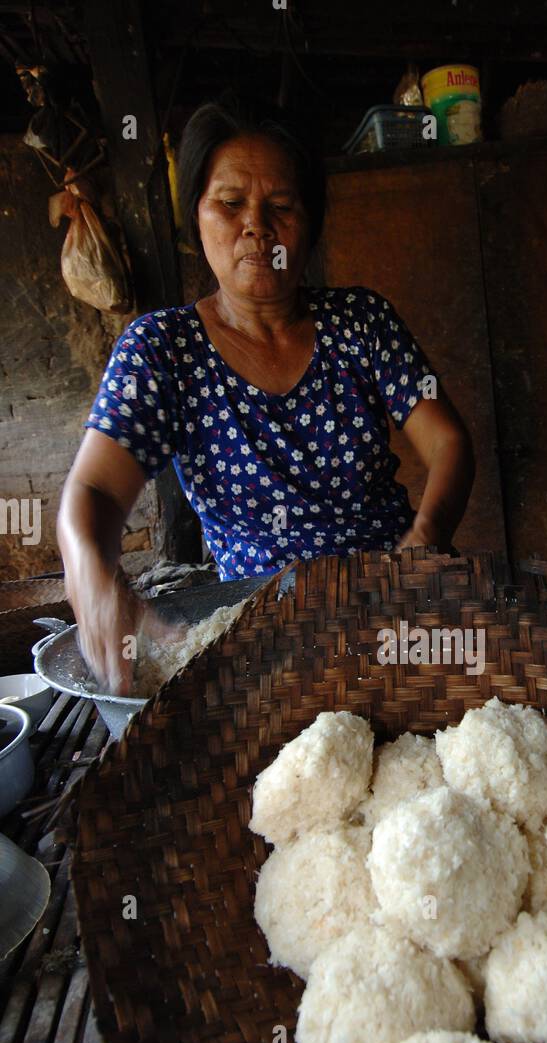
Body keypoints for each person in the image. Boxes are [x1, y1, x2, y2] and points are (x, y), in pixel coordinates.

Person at [57, 95, 475, 694]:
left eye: (281, 205)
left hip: (397, 606)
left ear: (310, 222)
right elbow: (93, 490)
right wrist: (94, 580)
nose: (257, 225)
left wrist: (424, 544)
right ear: (196, 215)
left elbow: (449, 443)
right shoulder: (162, 350)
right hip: (266, 637)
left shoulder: (361, 322)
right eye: (230, 204)